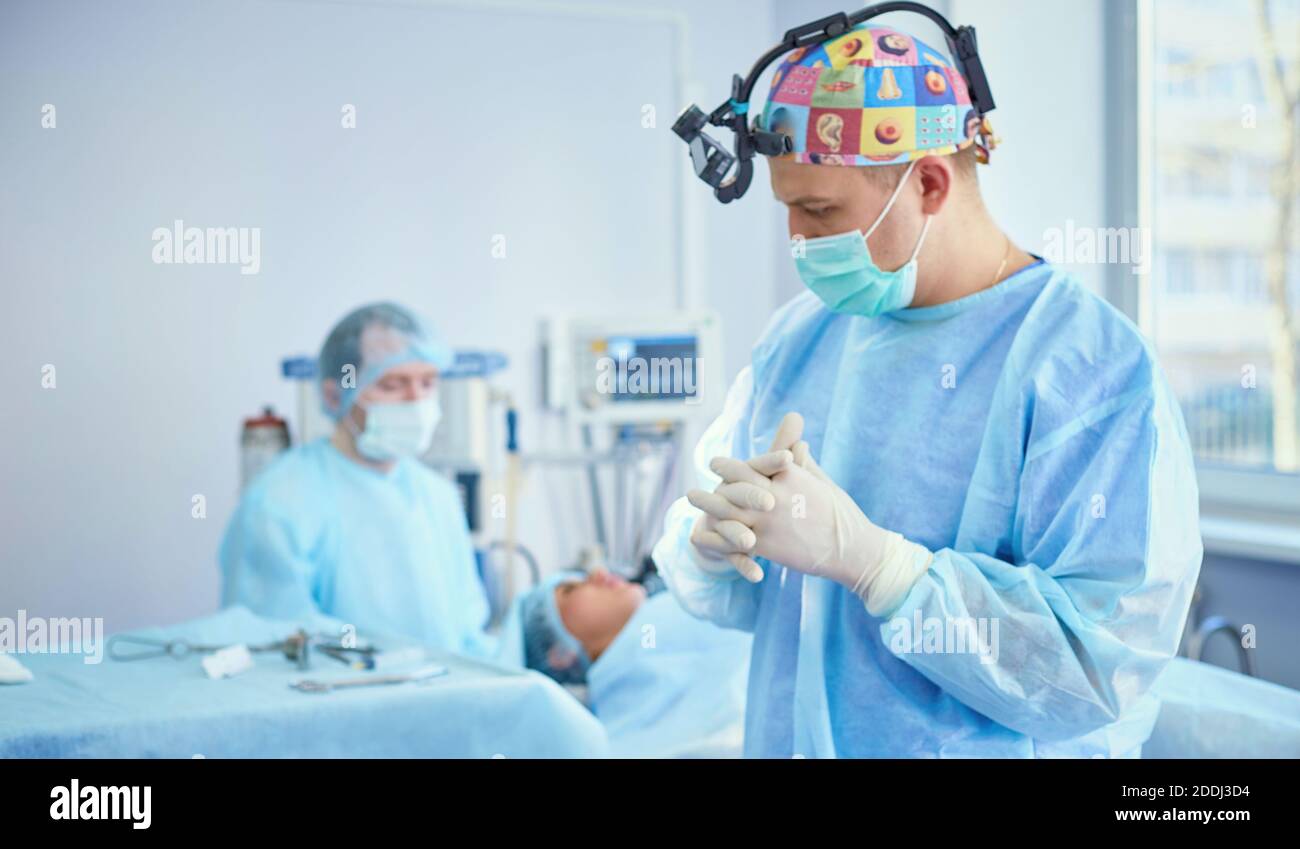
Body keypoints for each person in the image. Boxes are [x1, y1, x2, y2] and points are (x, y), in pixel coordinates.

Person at [652, 23, 1203, 758]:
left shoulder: (1090, 371)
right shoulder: (802, 337)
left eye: (819, 213)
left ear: (930, 183)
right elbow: (754, 602)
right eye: (788, 211)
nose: (799, 242)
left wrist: (882, 566)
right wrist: (711, 546)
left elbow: (1098, 664)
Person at [220, 302, 493, 656]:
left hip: (444, 701)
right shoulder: (279, 502)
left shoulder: (437, 496)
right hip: (338, 706)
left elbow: (467, 636)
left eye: (428, 383)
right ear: (336, 394)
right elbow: (271, 642)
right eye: (393, 385)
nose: (416, 401)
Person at [500, 569, 752, 758]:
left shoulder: (684, 601)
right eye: (571, 589)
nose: (598, 573)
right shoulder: (616, 738)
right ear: (560, 654)